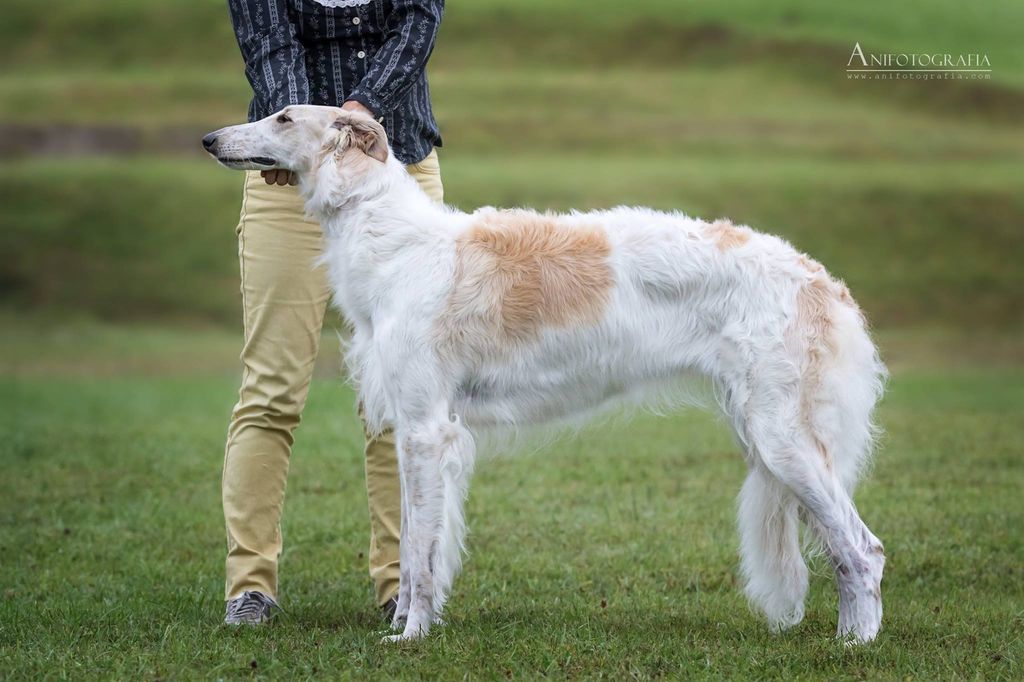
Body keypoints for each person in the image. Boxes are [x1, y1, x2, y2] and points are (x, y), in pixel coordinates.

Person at [220, 0, 445, 625]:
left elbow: (419, 21)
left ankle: (404, 585)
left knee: (403, 402)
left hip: (395, 170)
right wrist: (300, 143)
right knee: (271, 391)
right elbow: (271, 43)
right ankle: (250, 585)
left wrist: (362, 111)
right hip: (290, 179)